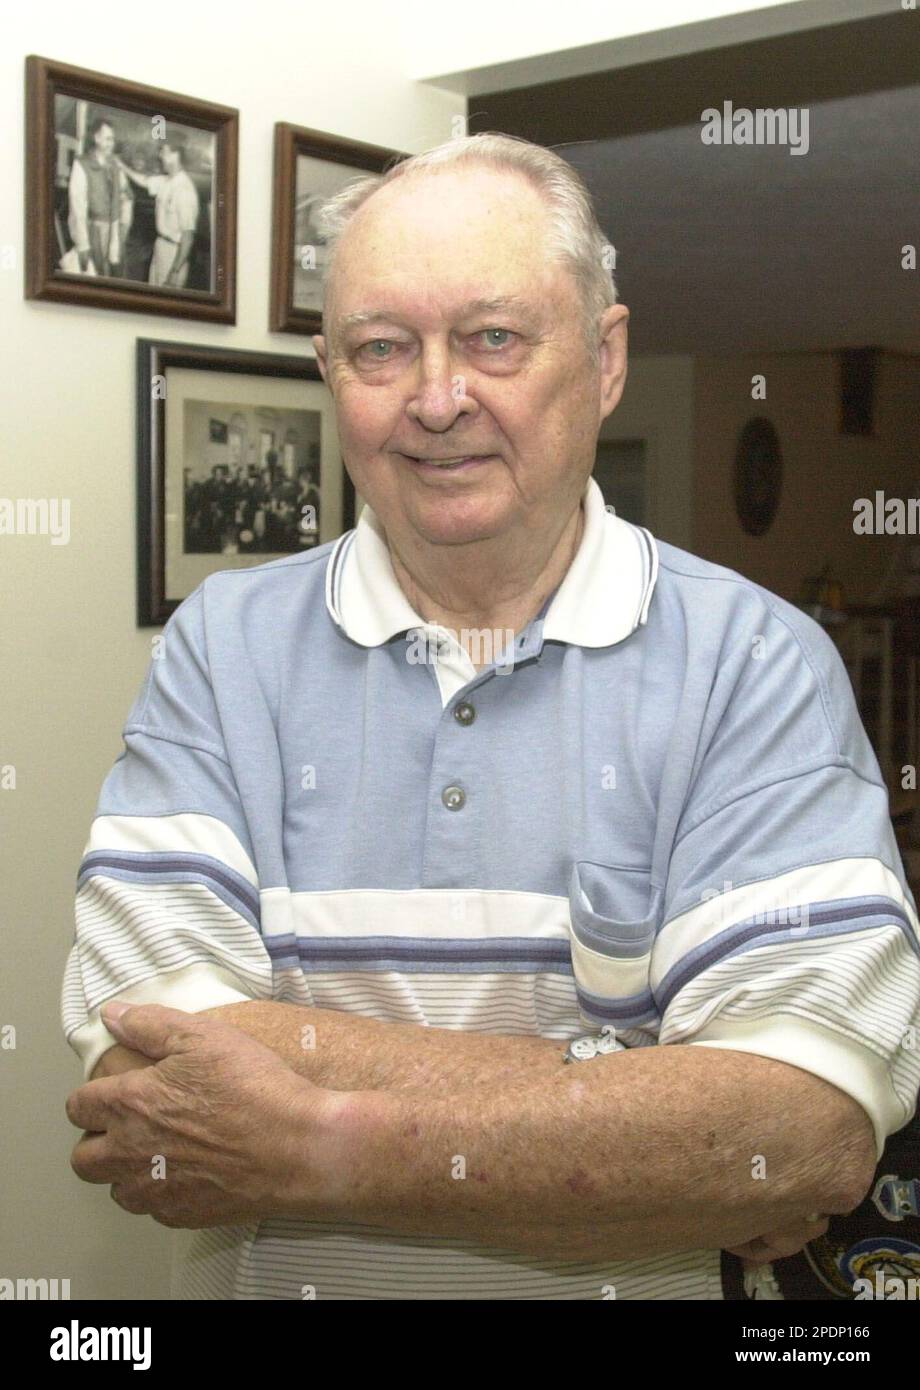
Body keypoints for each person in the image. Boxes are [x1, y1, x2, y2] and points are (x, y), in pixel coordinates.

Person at [62, 133, 920, 1301]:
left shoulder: (754, 665)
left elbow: (797, 1129)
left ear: (605, 360)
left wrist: (315, 1137)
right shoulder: (223, 649)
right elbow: (148, 1069)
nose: (435, 397)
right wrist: (637, 1087)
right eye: (380, 347)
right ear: (330, 372)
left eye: (493, 337)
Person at [116, 136, 199, 288]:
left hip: (174, 253)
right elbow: (143, 180)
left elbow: (188, 237)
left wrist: (175, 271)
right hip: (161, 246)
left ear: (176, 155)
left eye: (164, 152)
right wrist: (121, 165)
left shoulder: (184, 190)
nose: (160, 156)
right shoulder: (168, 181)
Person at [66, 117, 133, 277]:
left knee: (115, 278)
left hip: (115, 232)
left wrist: (123, 227)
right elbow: (77, 207)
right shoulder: (82, 164)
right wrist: (83, 244)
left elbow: (127, 197)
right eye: (108, 139)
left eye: (113, 139)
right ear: (96, 138)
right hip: (93, 232)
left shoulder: (116, 165)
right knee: (95, 276)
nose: (112, 143)